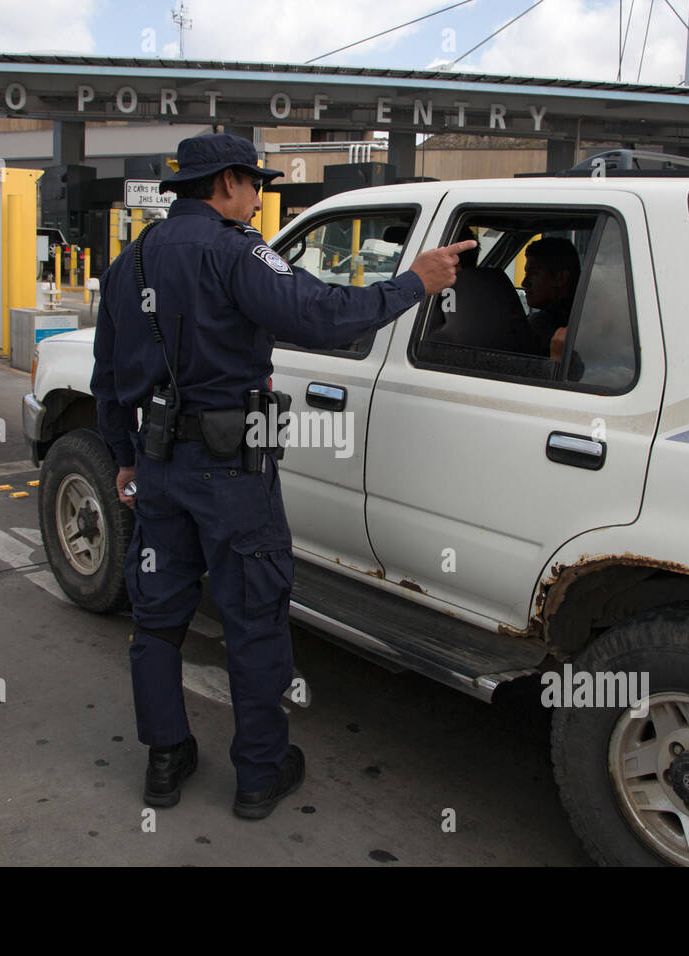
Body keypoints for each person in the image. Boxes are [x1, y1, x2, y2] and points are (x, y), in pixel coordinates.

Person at [91, 132, 474, 820]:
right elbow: (324, 316)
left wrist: (124, 456)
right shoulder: (237, 251)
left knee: (156, 621)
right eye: (257, 184)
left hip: (158, 468)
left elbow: (108, 376)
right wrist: (415, 281)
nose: (261, 197)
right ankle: (260, 774)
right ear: (229, 183)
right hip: (231, 474)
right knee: (254, 619)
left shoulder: (132, 261)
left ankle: (165, 761)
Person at [521, 236, 584, 379]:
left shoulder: (540, 325)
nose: (524, 282)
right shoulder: (586, 315)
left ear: (560, 278)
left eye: (533, 273)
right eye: (526, 273)